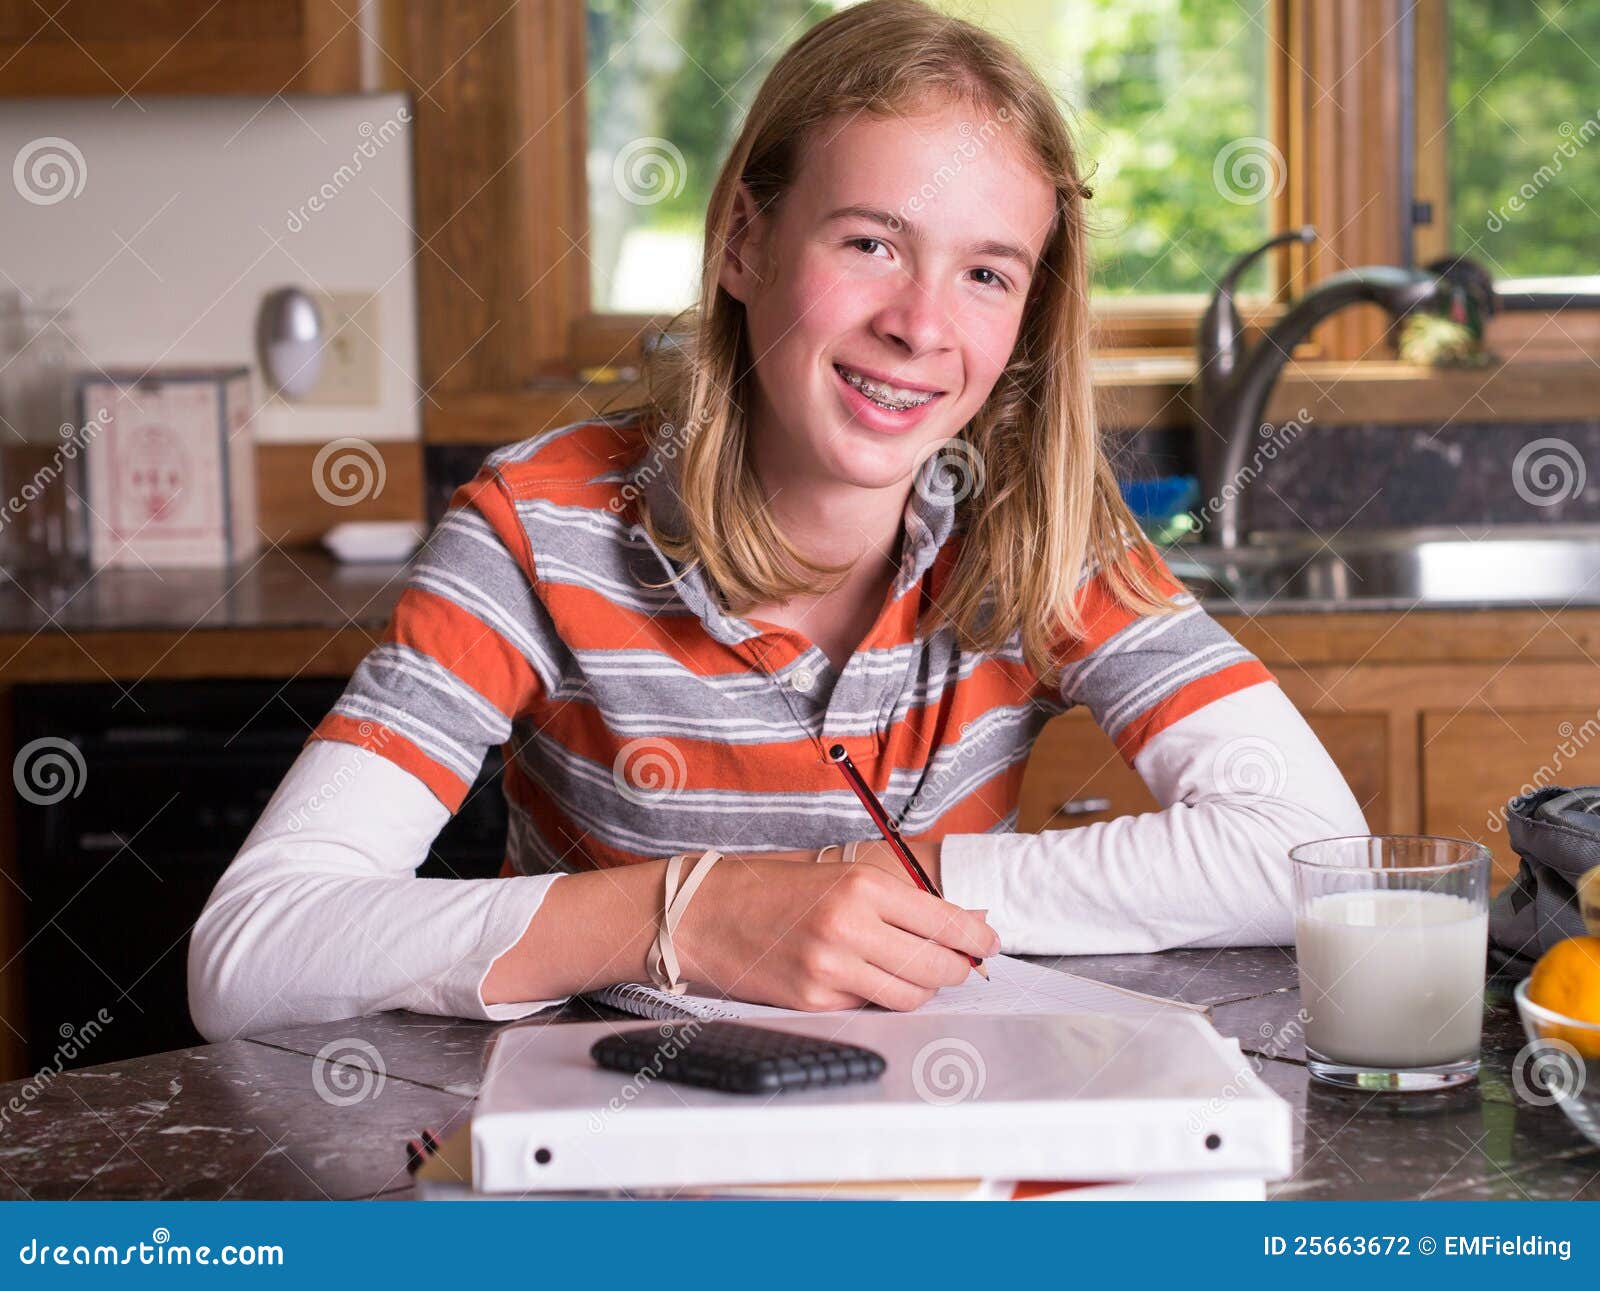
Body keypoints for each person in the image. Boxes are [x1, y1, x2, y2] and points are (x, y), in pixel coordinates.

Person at [188, 0, 1365, 1043]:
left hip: (938, 1146)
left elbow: (1311, 853)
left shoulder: (1036, 532)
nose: (919, 323)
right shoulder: (537, 531)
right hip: (612, 1153)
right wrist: (682, 912)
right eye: (869, 243)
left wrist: (859, 881)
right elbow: (251, 952)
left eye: (986, 274)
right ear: (743, 242)